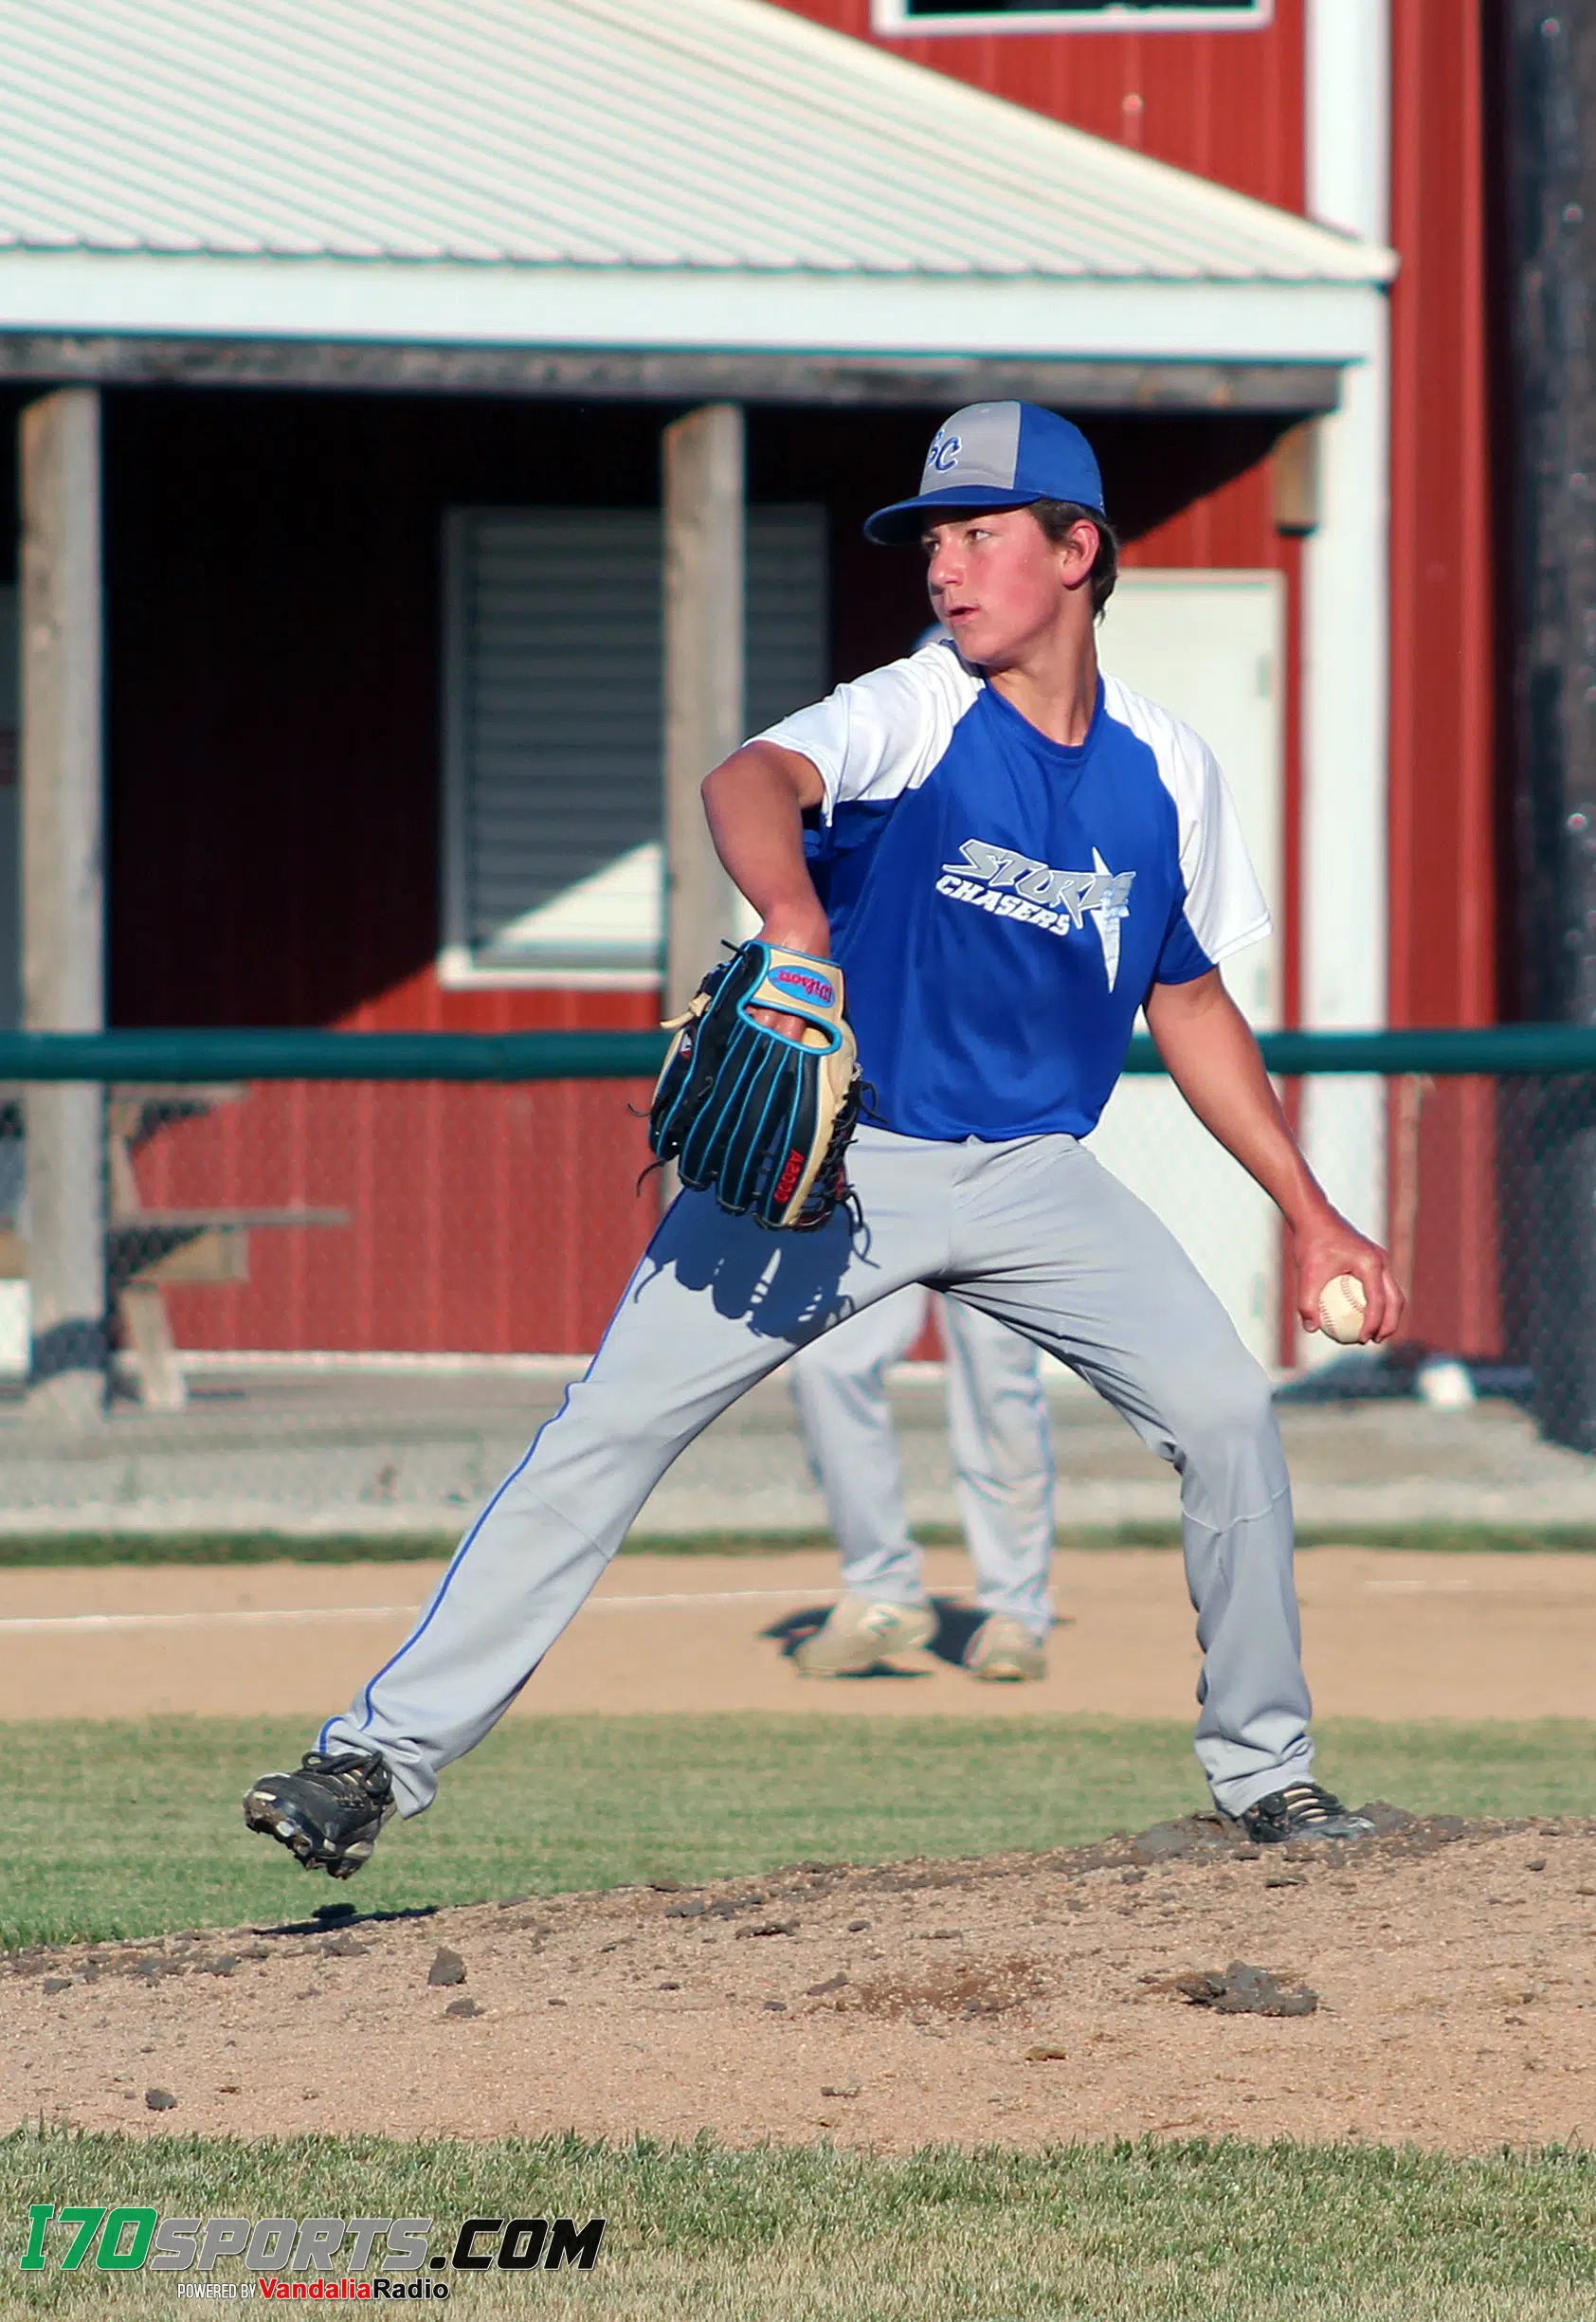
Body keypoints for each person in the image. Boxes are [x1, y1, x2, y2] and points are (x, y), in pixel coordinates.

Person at [245, 399, 1405, 1880]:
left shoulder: (1165, 770)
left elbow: (1183, 998)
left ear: (1077, 550)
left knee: (1230, 1417)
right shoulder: (913, 707)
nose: (945, 566)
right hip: (838, 1167)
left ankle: (1269, 1773)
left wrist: (1306, 1209)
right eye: (932, 537)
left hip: (1038, 1178)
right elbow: (749, 780)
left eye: (981, 533)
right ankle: (369, 1759)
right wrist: (793, 918)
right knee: (605, 1432)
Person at [788, 1286, 1057, 1681]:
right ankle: (882, 1591)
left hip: (993, 1225)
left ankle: (1013, 1614)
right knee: (827, 1359)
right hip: (881, 1224)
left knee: (997, 1381)